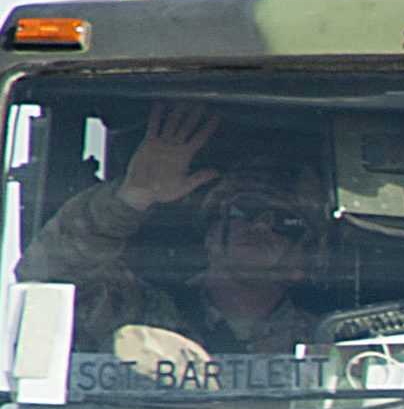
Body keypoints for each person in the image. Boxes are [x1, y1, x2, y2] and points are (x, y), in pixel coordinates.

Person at [19, 102, 325, 372]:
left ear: (303, 260)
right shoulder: (135, 316)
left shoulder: (324, 344)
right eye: (245, 210)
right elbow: (45, 281)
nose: (262, 226)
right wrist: (130, 199)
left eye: (287, 223)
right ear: (211, 233)